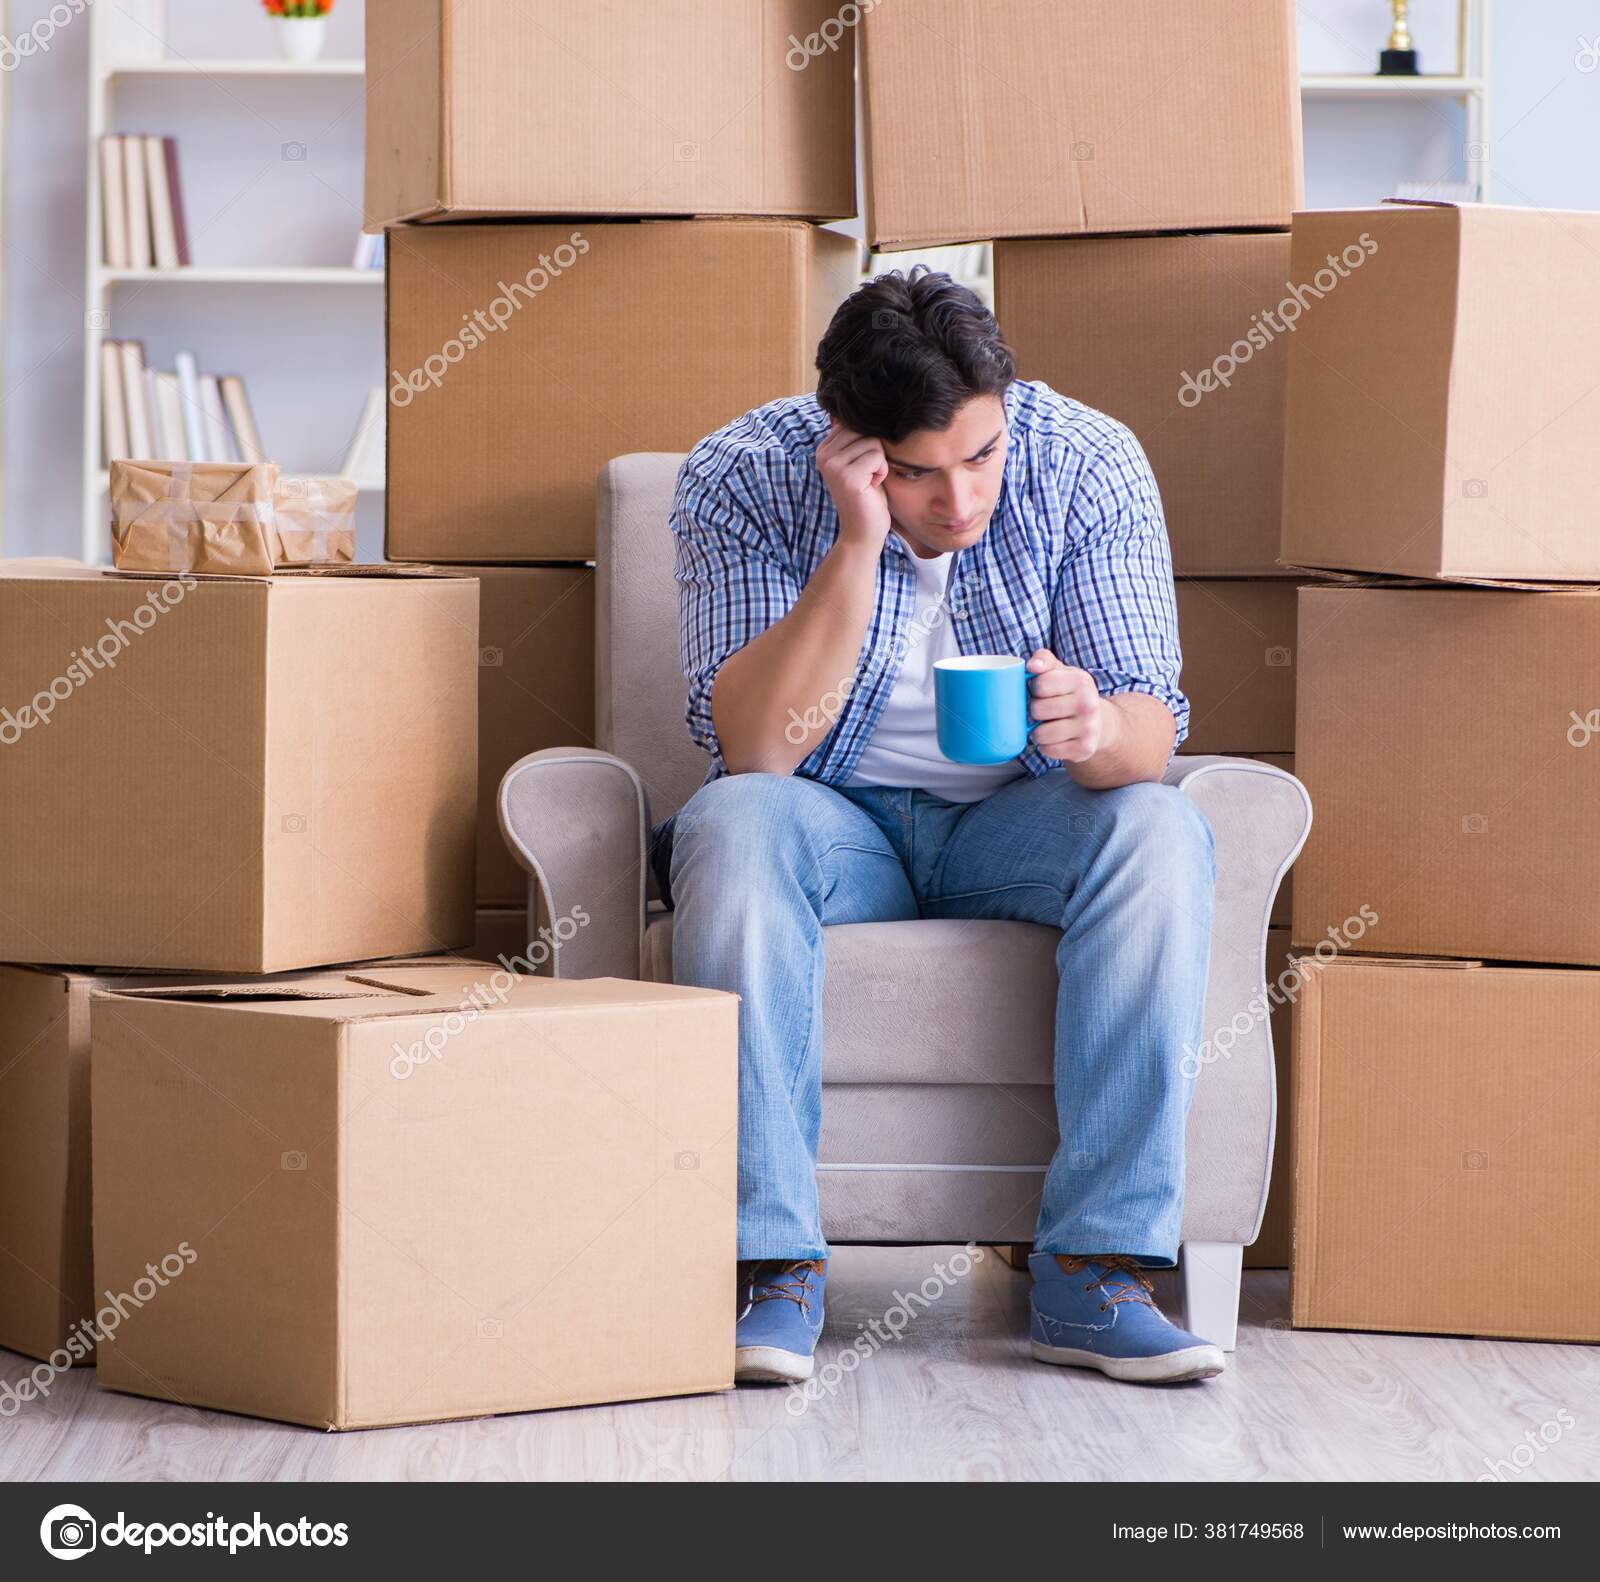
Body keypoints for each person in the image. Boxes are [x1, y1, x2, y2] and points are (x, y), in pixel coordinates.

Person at [655, 267, 1220, 1386]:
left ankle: (1093, 1272)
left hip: (1015, 822)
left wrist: (1093, 725)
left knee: (1158, 828)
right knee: (731, 820)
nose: (958, 503)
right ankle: (772, 1270)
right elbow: (758, 748)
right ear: (848, 443)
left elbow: (1150, 734)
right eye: (915, 474)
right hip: (832, 821)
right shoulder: (739, 475)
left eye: (979, 456)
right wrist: (856, 547)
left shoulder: (1085, 459)